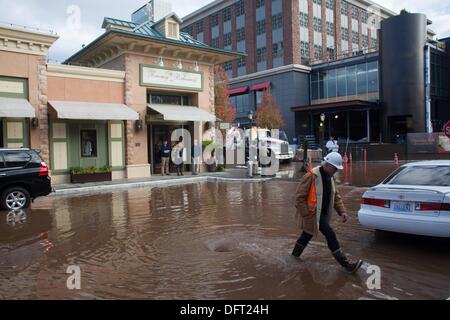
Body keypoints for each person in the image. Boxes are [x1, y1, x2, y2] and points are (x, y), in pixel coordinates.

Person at [292, 152, 363, 274]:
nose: (336, 171)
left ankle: (293, 258)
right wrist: (307, 214)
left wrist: (342, 212)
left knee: (306, 236)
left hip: (322, 214)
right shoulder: (311, 176)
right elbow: (299, 198)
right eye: (335, 168)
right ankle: (346, 265)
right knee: (330, 234)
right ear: (328, 165)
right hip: (312, 215)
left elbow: (335, 196)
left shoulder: (330, 178)